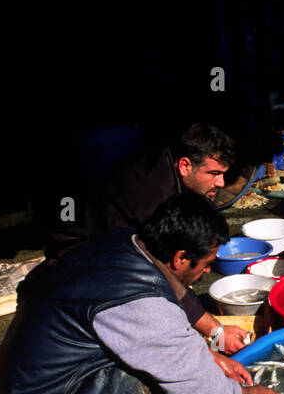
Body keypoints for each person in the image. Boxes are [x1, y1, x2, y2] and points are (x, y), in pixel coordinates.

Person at [0, 194, 284, 394]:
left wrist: (212, 354)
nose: (208, 271)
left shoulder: (123, 243)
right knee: (169, 389)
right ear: (180, 258)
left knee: (177, 360)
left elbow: (171, 306)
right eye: (206, 264)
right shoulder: (142, 304)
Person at [47, 122, 247, 356]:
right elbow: (156, 269)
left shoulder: (170, 166)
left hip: (114, 243)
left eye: (223, 174)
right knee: (150, 297)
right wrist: (215, 330)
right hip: (75, 258)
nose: (221, 183)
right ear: (185, 166)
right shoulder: (151, 197)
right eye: (213, 174)